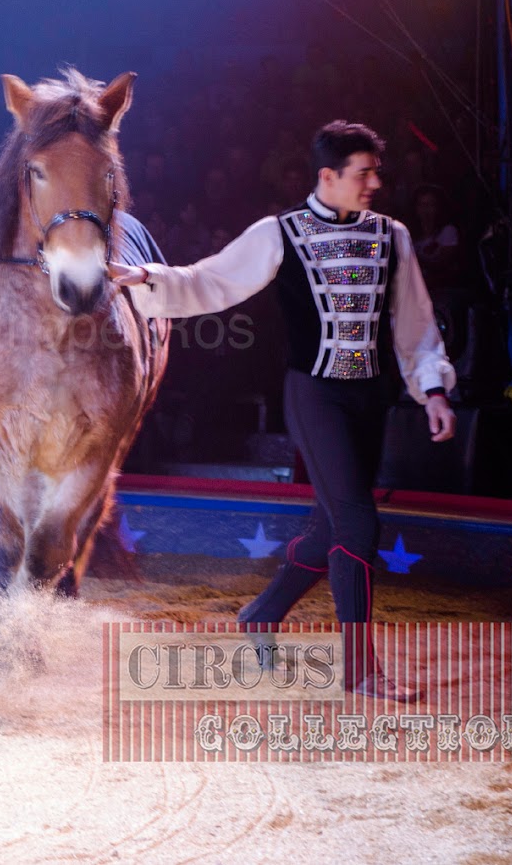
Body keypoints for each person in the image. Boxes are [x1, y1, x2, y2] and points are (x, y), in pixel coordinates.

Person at [109, 121, 456, 702]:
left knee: (333, 529)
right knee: (359, 525)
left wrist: (433, 389)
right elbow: (212, 280)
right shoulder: (280, 233)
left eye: (376, 171)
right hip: (314, 396)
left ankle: (261, 614)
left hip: (370, 399)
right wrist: (148, 278)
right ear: (328, 176)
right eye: (363, 172)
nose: (375, 182)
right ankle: (362, 670)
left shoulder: (391, 236)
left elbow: (415, 322)